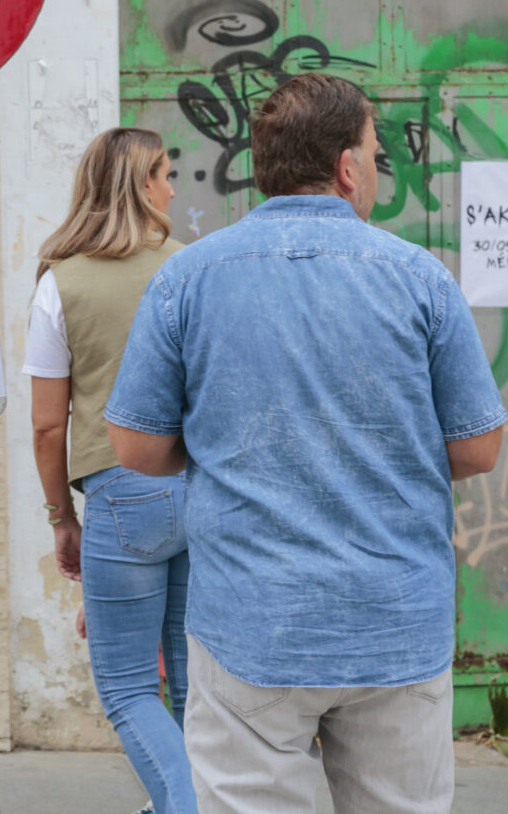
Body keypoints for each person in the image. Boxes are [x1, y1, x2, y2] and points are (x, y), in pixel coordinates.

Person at [106, 73, 506, 813]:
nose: (377, 167)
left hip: (252, 624)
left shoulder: (187, 279)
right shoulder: (420, 278)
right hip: (393, 624)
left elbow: (134, 447)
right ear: (348, 168)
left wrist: (227, 446)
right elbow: (479, 449)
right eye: (374, 152)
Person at [25, 127, 195, 814]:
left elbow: (46, 424)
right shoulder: (189, 267)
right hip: (201, 487)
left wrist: (61, 518)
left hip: (121, 494)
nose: (173, 188)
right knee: (194, 685)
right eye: (163, 174)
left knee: (128, 687)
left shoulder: (59, 283)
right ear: (139, 185)